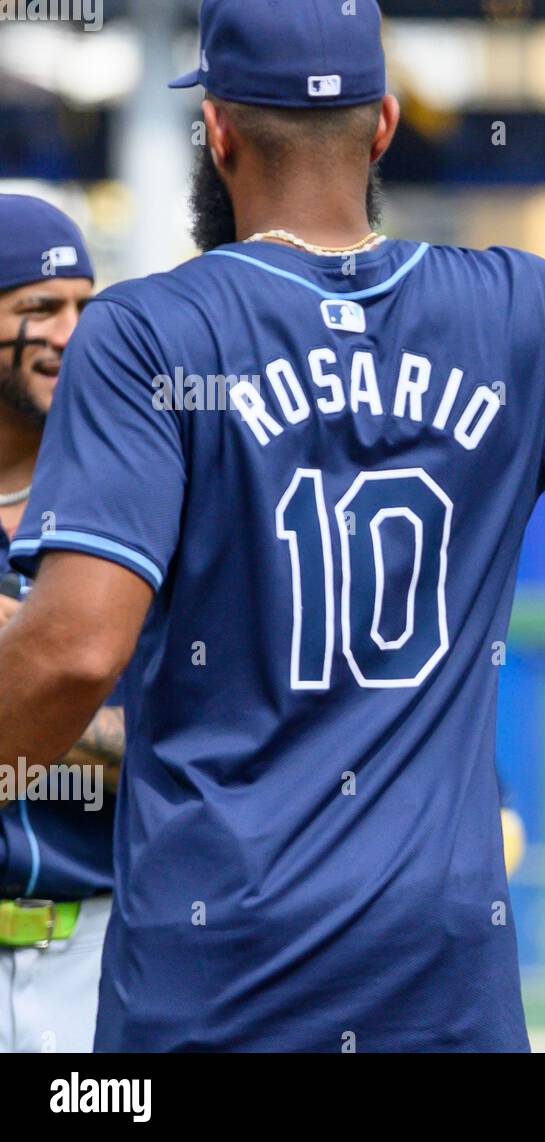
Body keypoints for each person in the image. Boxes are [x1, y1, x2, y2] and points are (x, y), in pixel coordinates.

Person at [0, 0, 545, 1052]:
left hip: (217, 975)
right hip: (438, 976)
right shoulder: (521, 309)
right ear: (386, 126)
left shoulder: (146, 331)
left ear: (217, 130)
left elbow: (76, 649)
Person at [0, 195, 124, 1053]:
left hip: (104, 948)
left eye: (86, 305)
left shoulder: (132, 493)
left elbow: (172, 744)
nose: (73, 333)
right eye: (40, 309)